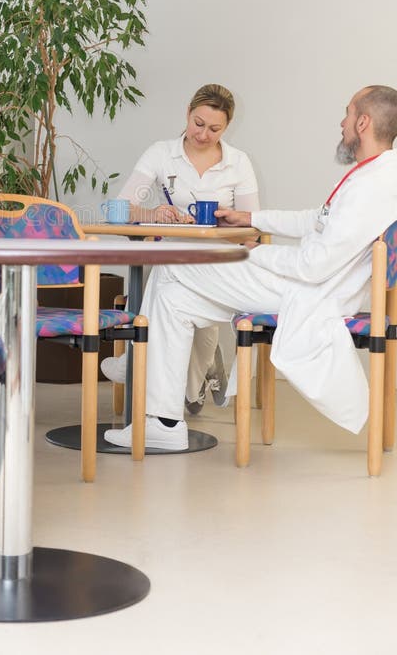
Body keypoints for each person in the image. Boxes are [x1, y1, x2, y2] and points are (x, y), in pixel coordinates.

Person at [104, 85, 397, 451]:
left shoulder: (374, 186)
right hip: (306, 282)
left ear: (364, 122)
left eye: (348, 113)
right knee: (173, 295)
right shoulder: (373, 174)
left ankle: (150, 396)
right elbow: (316, 221)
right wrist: (251, 218)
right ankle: (164, 421)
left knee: (170, 264)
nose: (342, 122)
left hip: (309, 291)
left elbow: (313, 265)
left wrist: (252, 254)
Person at [100, 83, 260, 412]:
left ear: (227, 126)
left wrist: (230, 222)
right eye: (198, 124)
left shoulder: (238, 162)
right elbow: (119, 208)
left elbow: (251, 228)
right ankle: (187, 386)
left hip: (219, 258)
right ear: (188, 113)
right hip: (172, 253)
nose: (203, 134)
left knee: (173, 281)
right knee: (170, 271)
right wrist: (152, 213)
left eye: (215, 129)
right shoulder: (161, 153)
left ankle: (142, 370)